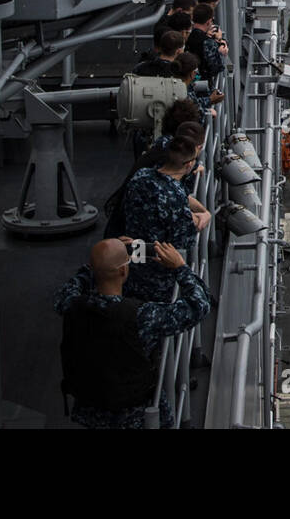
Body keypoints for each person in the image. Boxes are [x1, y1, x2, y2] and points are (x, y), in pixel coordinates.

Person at [55, 237, 210, 429]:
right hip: (133, 416)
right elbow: (199, 306)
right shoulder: (141, 317)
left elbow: (73, 285)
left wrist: (100, 262)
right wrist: (180, 267)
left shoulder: (70, 304)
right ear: (123, 270)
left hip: (90, 412)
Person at [122, 136, 211, 302]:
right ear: (189, 165)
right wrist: (200, 218)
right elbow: (186, 239)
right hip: (160, 272)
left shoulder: (141, 175)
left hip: (133, 258)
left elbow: (177, 193)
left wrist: (199, 211)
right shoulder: (174, 198)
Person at [186, 4, 228, 82]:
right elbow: (216, 68)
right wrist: (220, 42)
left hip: (189, 79)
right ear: (208, 22)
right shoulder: (207, 42)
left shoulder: (187, 36)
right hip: (202, 84)